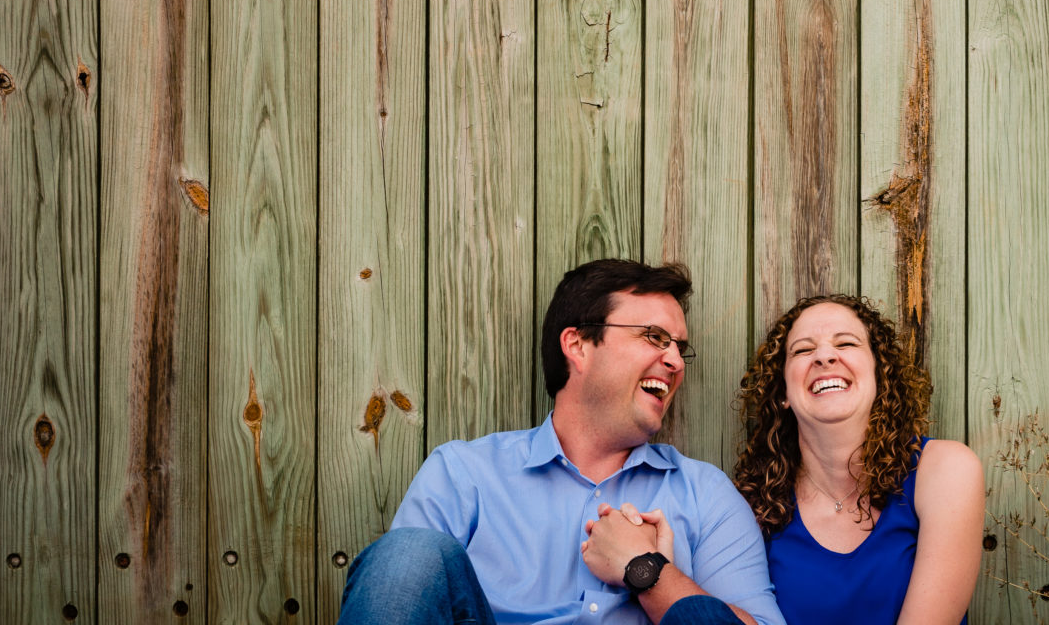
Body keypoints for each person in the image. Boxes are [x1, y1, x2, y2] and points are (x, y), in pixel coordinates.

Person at [339, 259, 784, 625]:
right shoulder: (464, 475)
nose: (673, 360)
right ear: (578, 345)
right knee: (408, 555)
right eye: (654, 337)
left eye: (678, 347)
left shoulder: (706, 495)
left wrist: (647, 572)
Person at [733, 294, 984, 625]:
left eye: (846, 343)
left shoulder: (943, 470)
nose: (824, 356)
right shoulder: (752, 507)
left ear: (880, 374)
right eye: (803, 350)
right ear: (781, 394)